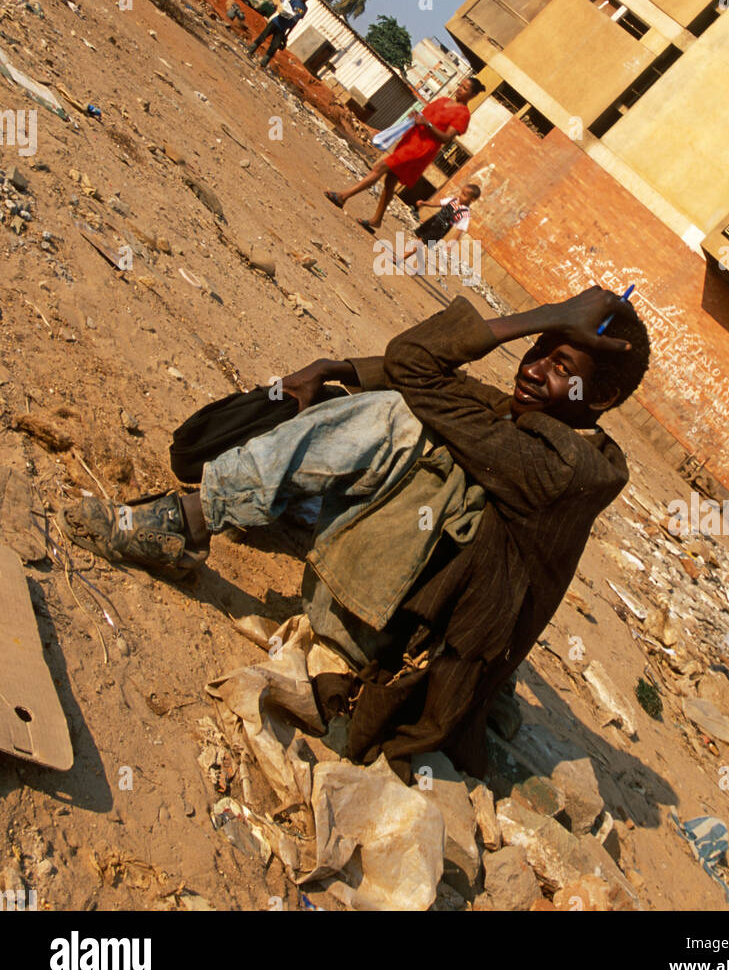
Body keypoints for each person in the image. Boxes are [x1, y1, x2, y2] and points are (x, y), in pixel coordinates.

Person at [59, 285, 649, 780]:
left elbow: (417, 371)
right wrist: (332, 369)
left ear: (603, 397)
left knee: (398, 417)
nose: (534, 369)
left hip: (386, 651)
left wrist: (541, 316)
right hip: (378, 601)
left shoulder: (571, 469)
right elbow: (424, 371)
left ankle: (190, 522)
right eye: (539, 350)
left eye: (562, 368)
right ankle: (232, 506)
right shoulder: (525, 414)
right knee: (379, 401)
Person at [325, 76, 484, 234]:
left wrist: (426, 124)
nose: (460, 89)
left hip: (421, 149)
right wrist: (416, 117)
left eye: (465, 88)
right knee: (390, 180)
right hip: (410, 141)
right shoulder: (442, 100)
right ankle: (377, 220)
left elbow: (446, 138)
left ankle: (343, 196)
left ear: (473, 95)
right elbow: (425, 116)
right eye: (460, 85)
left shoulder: (463, 115)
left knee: (380, 167)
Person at [397, 182, 481, 271]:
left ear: (472, 200)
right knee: (419, 240)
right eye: (461, 192)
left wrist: (450, 244)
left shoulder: (465, 214)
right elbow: (439, 203)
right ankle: (421, 264)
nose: (460, 195)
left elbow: (460, 231)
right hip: (432, 222)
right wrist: (425, 203)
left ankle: (400, 258)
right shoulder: (453, 200)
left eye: (464, 195)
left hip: (438, 230)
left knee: (420, 242)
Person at [246, 0, 308, 68]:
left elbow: (296, 22)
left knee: (274, 47)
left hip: (283, 29)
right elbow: (283, 7)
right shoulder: (294, 0)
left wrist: (287, 34)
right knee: (262, 37)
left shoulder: (305, 9)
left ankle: (262, 64)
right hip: (276, 22)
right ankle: (250, 51)